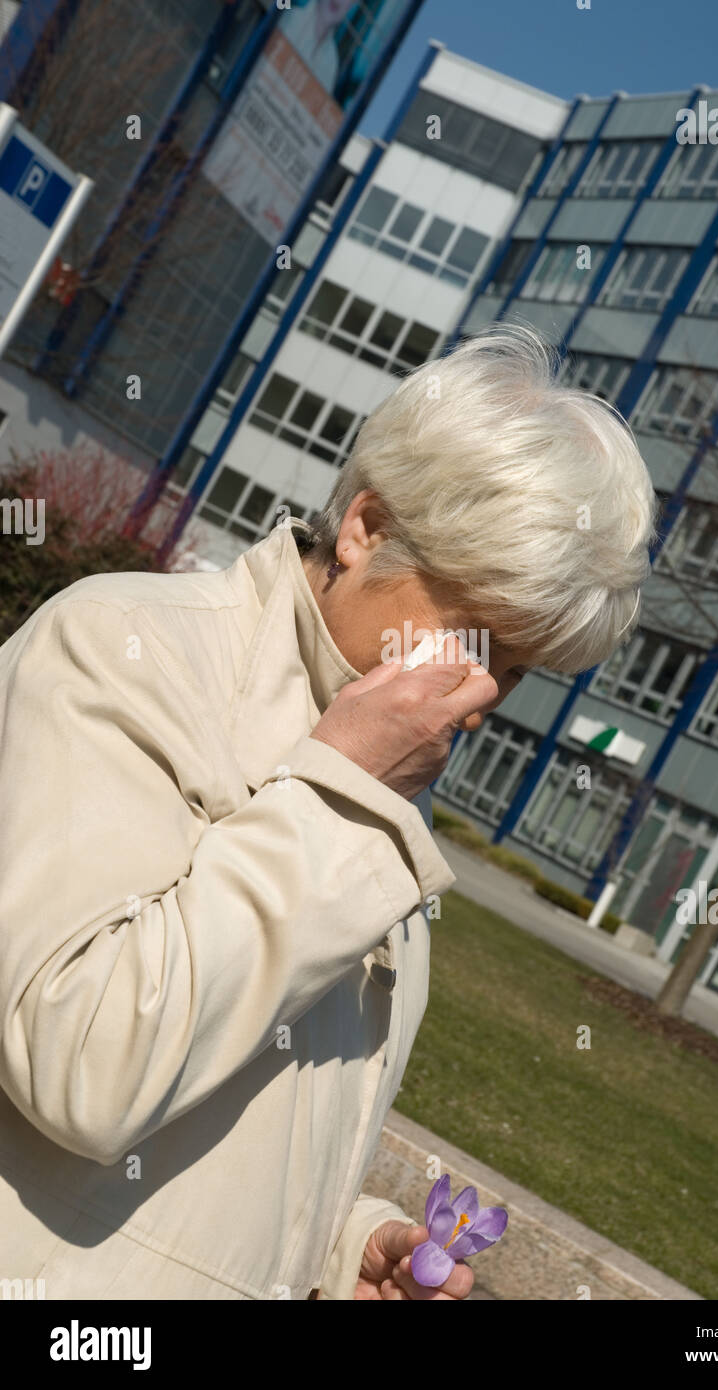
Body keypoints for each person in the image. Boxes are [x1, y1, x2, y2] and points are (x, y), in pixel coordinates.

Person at [0, 325, 656, 1300]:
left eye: (516, 672)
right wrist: (339, 798)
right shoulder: (123, 651)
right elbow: (81, 1062)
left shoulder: (374, 796)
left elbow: (244, 1113)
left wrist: (338, 1245)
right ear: (365, 527)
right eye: (475, 638)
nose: (481, 697)